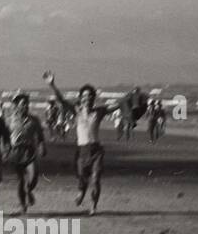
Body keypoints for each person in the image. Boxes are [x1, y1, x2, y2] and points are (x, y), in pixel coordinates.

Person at [44, 71, 145, 213]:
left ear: (93, 98)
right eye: (85, 96)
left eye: (90, 96)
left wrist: (131, 94)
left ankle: (93, 206)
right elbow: (61, 100)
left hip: (96, 150)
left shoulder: (99, 111)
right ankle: (81, 192)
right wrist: (52, 85)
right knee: (82, 178)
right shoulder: (76, 111)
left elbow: (117, 104)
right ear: (80, 98)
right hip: (81, 151)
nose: (88, 98)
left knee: (96, 179)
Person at [9, 92, 47, 212]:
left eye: (26, 104)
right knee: (20, 180)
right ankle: (22, 205)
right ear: (17, 106)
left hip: (29, 151)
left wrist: (42, 146)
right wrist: (5, 147)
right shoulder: (10, 119)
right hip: (16, 152)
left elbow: (40, 136)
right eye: (22, 104)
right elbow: (3, 134)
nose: (25, 106)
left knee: (34, 176)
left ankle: (29, 190)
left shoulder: (34, 120)